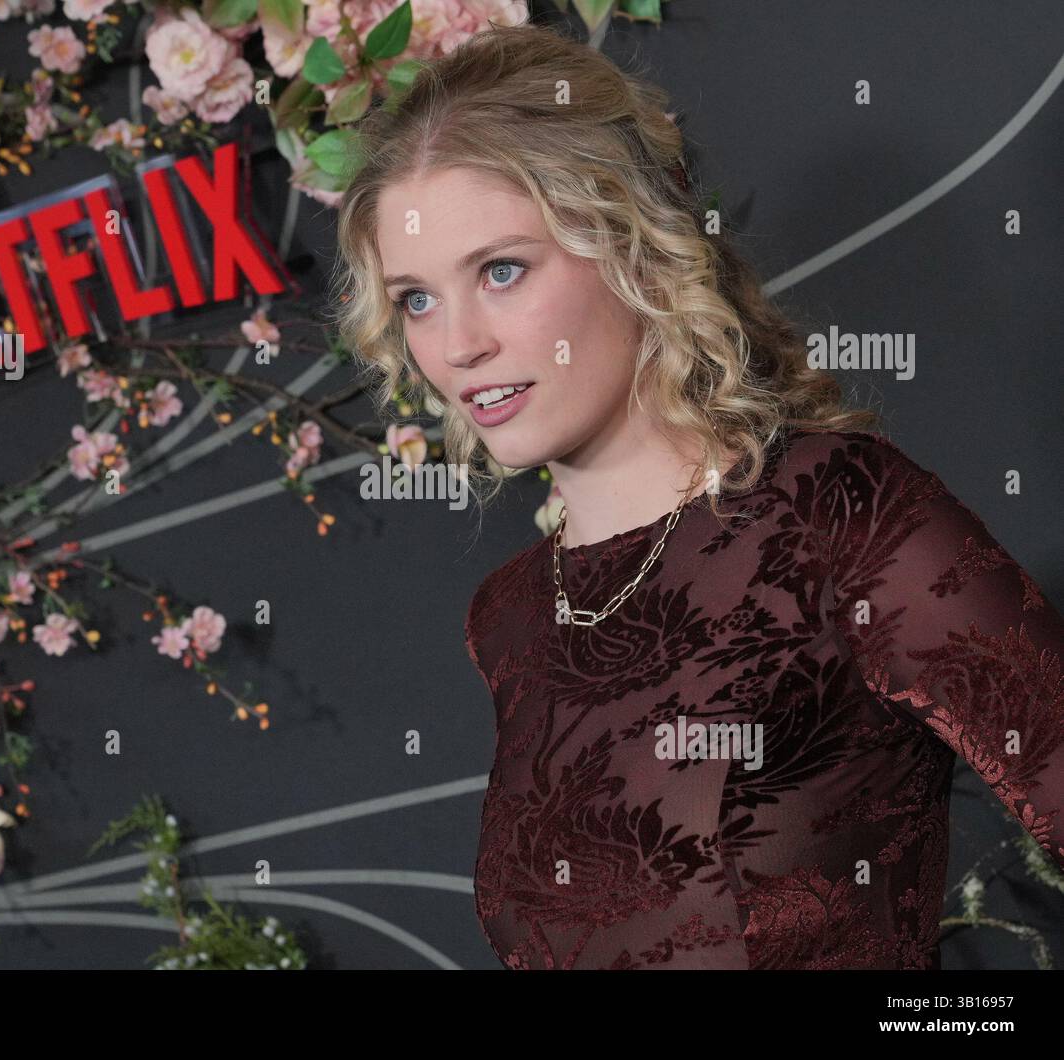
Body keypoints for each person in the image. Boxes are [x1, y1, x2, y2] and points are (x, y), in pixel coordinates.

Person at [326, 21, 1064, 969]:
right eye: (416, 299)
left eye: (501, 270)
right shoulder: (511, 613)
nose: (456, 344)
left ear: (634, 245)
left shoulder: (838, 514)